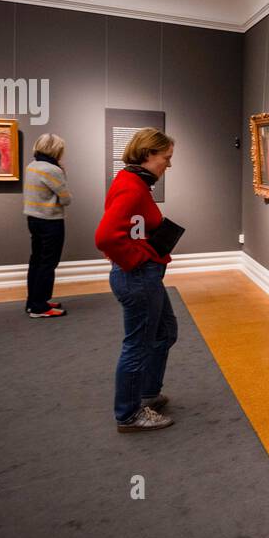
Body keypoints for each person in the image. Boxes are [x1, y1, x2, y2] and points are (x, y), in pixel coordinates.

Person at [95, 128, 178, 433]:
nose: (168, 165)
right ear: (148, 155)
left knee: (165, 332)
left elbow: (125, 228)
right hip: (138, 278)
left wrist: (132, 249)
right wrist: (133, 257)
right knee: (138, 345)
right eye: (165, 158)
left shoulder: (132, 181)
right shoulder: (132, 187)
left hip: (143, 276)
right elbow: (104, 236)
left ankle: (148, 395)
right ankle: (128, 414)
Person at [22, 134, 72, 318]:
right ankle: (40, 308)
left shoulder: (32, 166)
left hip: (33, 219)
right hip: (50, 221)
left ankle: (34, 301)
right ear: (56, 149)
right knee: (48, 263)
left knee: (36, 261)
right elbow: (67, 199)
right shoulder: (53, 170)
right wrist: (63, 172)